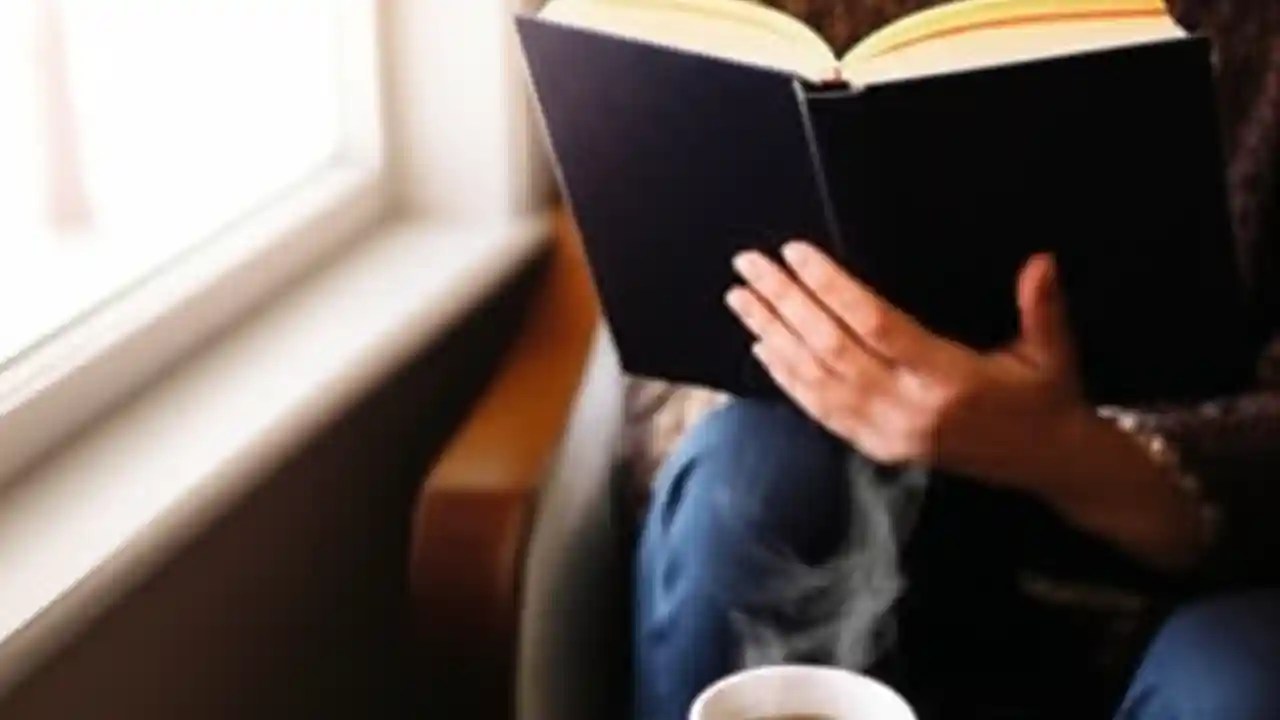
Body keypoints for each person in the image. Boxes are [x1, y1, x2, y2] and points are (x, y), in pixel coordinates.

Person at [634, 1, 1280, 718]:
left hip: (1216, 579)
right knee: (753, 482)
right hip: (889, 526)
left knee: (1237, 684)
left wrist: (1066, 451)